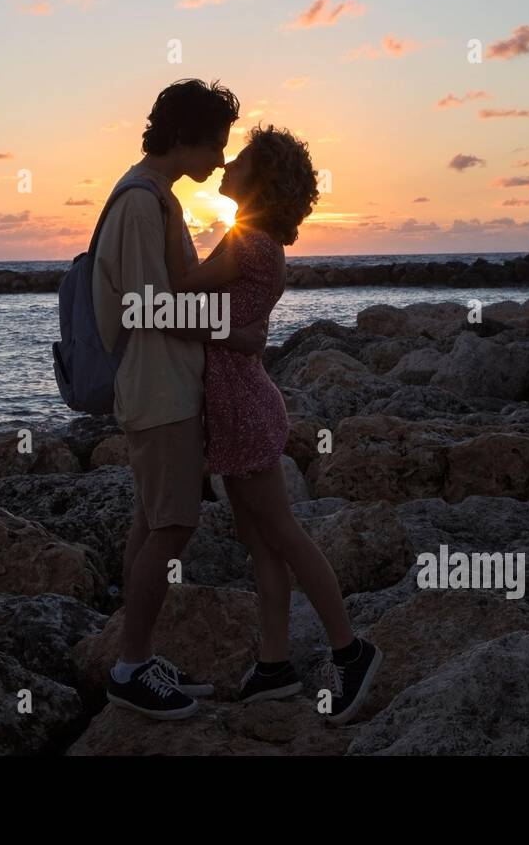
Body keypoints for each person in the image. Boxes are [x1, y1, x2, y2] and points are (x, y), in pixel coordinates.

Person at [161, 124, 383, 726]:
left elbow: (178, 296)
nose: (227, 163)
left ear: (257, 181)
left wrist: (157, 234)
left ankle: (351, 652)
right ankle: (275, 665)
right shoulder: (255, 241)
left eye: (241, 160)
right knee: (261, 540)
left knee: (283, 535)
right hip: (240, 404)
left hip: (243, 406)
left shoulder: (248, 243)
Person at [94, 78, 266, 720]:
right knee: (172, 525)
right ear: (184, 136)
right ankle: (130, 668)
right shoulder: (142, 203)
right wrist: (233, 329)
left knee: (150, 521)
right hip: (157, 387)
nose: (221, 160)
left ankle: (134, 655)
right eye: (216, 144)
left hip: (162, 384)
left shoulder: (151, 196)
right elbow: (147, 305)